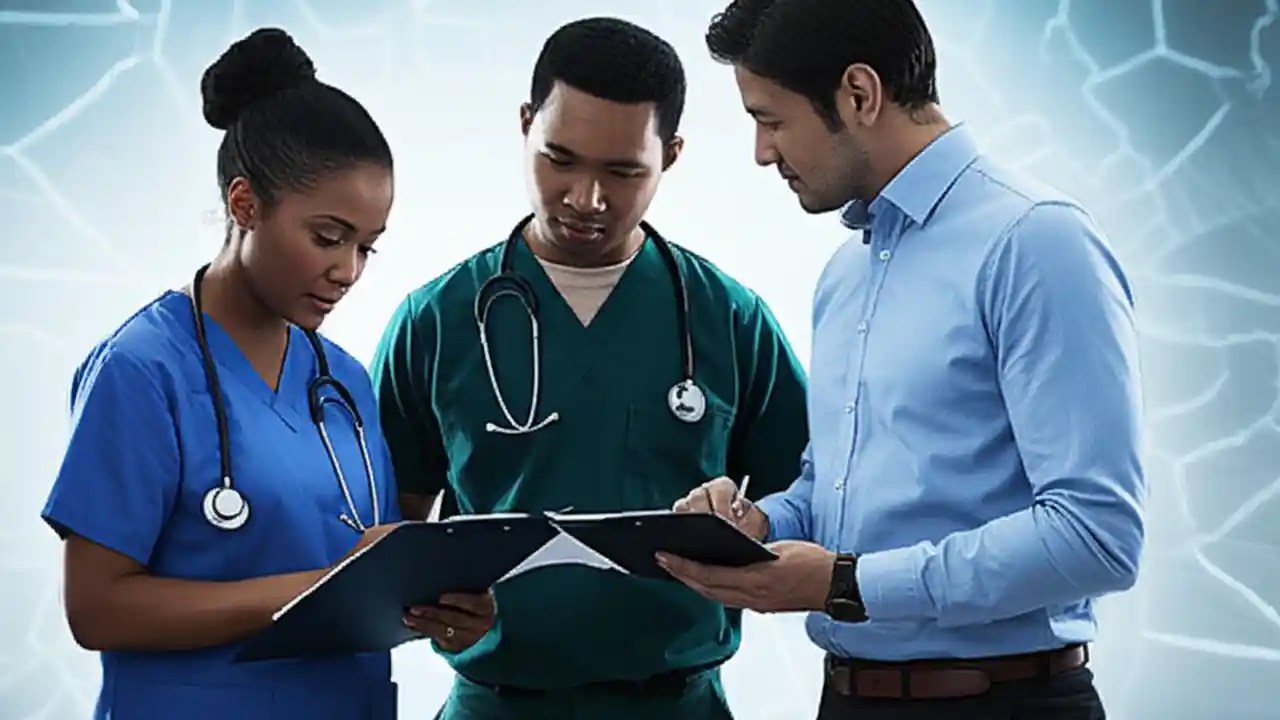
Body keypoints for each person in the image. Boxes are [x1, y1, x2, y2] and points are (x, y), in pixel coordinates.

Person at [658, 1, 1147, 719]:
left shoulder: (1035, 243)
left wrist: (845, 584)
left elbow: (1096, 536)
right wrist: (761, 524)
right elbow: (831, 489)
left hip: (1005, 704)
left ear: (859, 94)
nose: (762, 152)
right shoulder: (845, 274)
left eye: (771, 120)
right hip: (848, 698)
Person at [40, 27, 494, 720]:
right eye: (327, 237)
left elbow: (370, 573)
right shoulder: (141, 371)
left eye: (366, 247)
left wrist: (446, 611)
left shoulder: (343, 382)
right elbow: (97, 609)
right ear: (244, 204)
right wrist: (320, 586)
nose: (347, 271)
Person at [370, 16, 810, 720]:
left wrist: (748, 523)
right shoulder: (436, 321)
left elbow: (808, 500)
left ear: (671, 156)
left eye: (623, 172)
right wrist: (429, 606)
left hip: (679, 704)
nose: (586, 198)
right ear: (525, 126)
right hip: (497, 703)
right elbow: (381, 541)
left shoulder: (730, 320)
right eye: (560, 160)